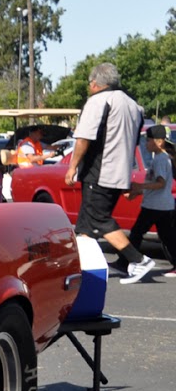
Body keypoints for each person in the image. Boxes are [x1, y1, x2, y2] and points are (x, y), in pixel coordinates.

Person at [65, 63, 157, 283]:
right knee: (85, 224)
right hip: (121, 172)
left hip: (99, 172)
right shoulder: (134, 106)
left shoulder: (98, 101)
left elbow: (84, 138)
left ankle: (138, 260)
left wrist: (72, 166)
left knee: (98, 219)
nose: (89, 87)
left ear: (96, 83)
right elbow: (133, 142)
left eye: (90, 83)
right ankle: (83, 268)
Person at [128, 124, 176, 268]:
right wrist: (137, 192)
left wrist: (140, 187)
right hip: (160, 205)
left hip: (156, 206)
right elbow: (156, 185)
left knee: (136, 233)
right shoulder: (161, 158)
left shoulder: (161, 159)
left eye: (149, 140)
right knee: (167, 237)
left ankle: (127, 262)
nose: (146, 143)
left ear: (159, 142)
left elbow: (161, 183)